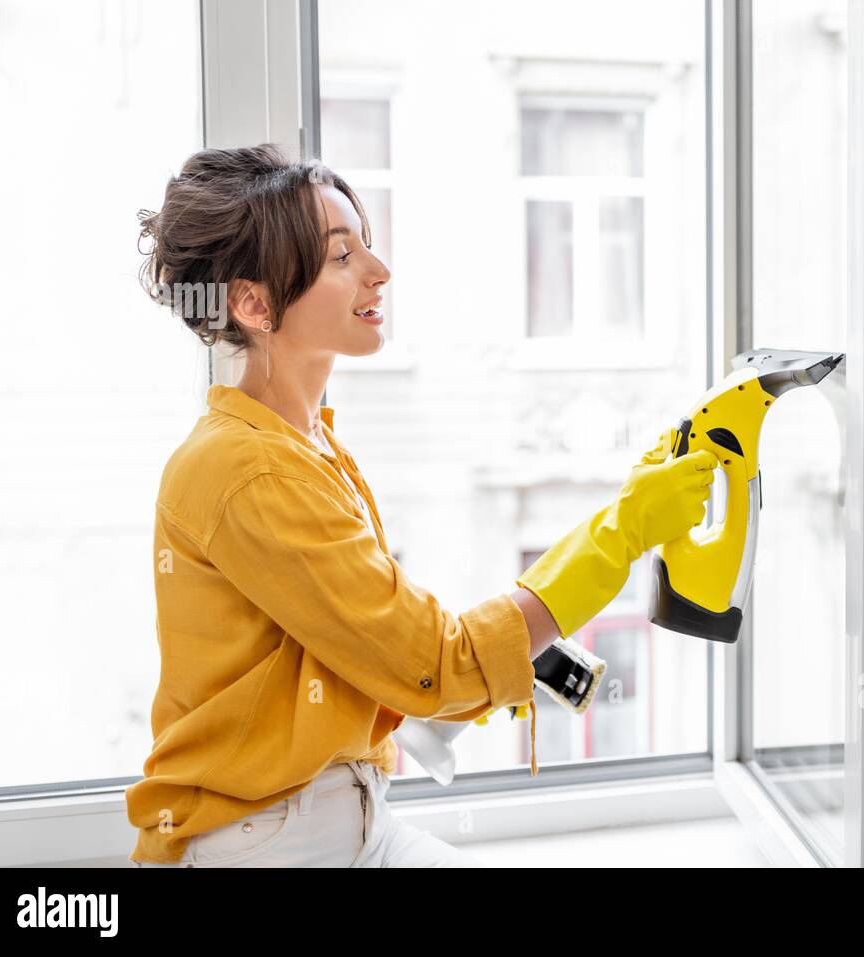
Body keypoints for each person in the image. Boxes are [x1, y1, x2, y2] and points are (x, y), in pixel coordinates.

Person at [126, 144, 717, 867]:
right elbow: (433, 661)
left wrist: (510, 659)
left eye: (367, 246)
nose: (379, 271)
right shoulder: (245, 469)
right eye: (342, 257)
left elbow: (363, 651)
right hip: (269, 846)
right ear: (253, 303)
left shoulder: (308, 446)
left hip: (355, 820)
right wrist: (623, 532)